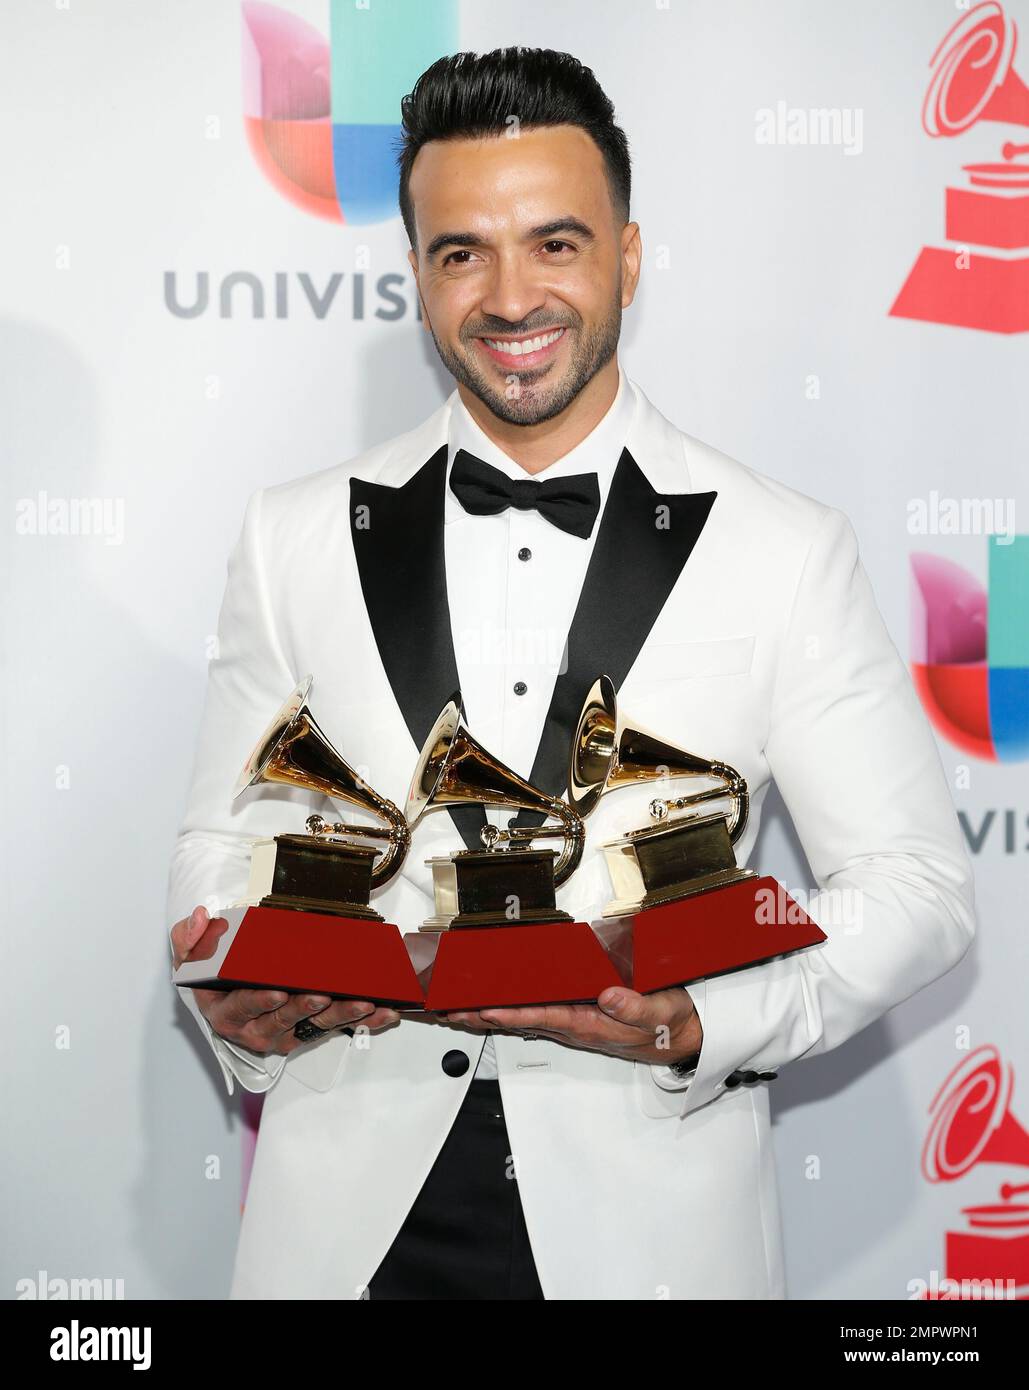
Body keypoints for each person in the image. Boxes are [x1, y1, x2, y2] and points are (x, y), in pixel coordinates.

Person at [167, 47, 975, 1300]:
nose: (507, 296)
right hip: (342, 1221)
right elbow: (222, 844)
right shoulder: (291, 535)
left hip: (651, 1228)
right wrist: (238, 995)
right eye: (461, 251)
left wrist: (708, 1020)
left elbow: (921, 887)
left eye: (555, 242)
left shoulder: (785, 547)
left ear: (628, 257)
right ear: (419, 277)